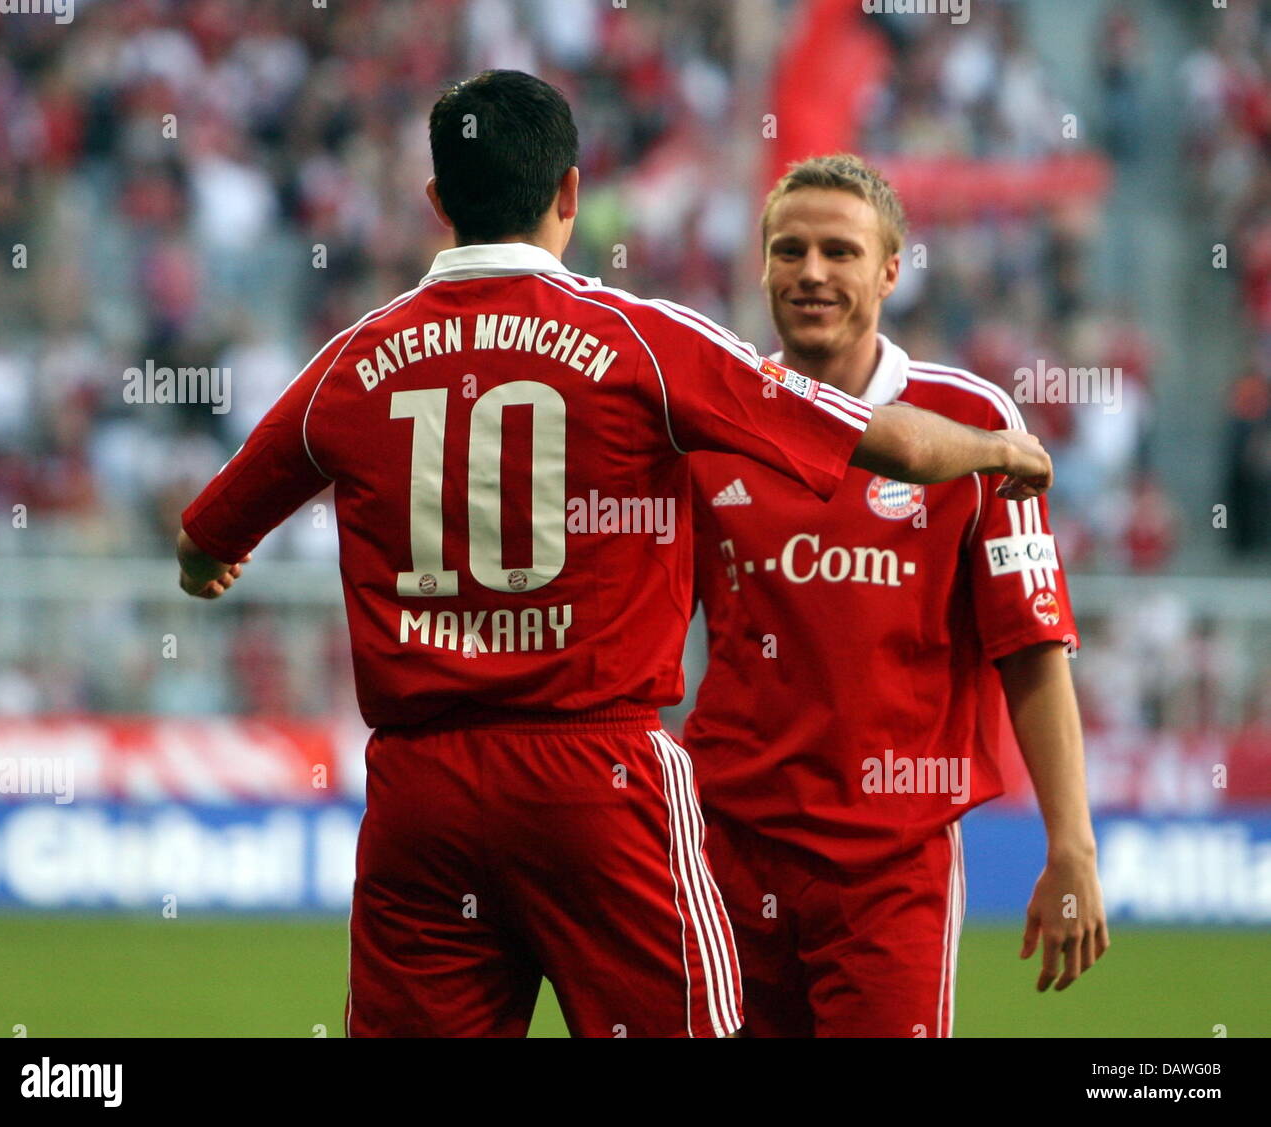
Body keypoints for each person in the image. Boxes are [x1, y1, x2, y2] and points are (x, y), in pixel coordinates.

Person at [177, 76, 1052, 1038]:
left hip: (418, 792)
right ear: (570, 193)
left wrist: (207, 563)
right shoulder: (639, 339)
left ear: (437, 203)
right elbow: (889, 443)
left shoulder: (352, 360)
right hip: (596, 775)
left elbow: (203, 534)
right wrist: (1000, 448)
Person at [683, 154, 1108, 1038]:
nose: (810, 273)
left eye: (839, 251)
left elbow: (1031, 644)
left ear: (889, 270)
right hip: (725, 852)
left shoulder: (977, 423)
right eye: (788, 250)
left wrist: (1072, 845)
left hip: (890, 868)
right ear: (760, 265)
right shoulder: (716, 419)